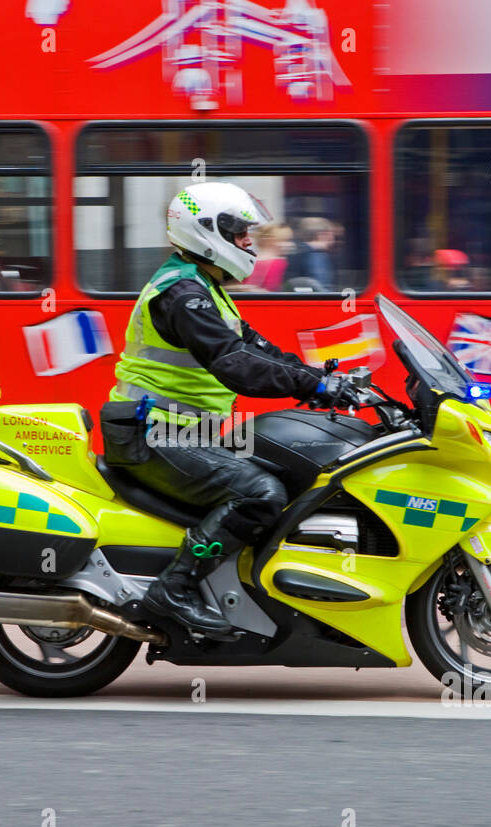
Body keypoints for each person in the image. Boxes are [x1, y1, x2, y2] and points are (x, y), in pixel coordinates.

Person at [100, 182, 361, 638]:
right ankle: (173, 592)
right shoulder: (183, 295)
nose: (247, 242)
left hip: (183, 431)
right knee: (262, 493)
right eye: (238, 231)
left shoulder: (205, 289)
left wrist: (324, 380)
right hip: (153, 435)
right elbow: (235, 365)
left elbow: (260, 351)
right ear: (205, 231)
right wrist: (315, 383)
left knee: (289, 468)